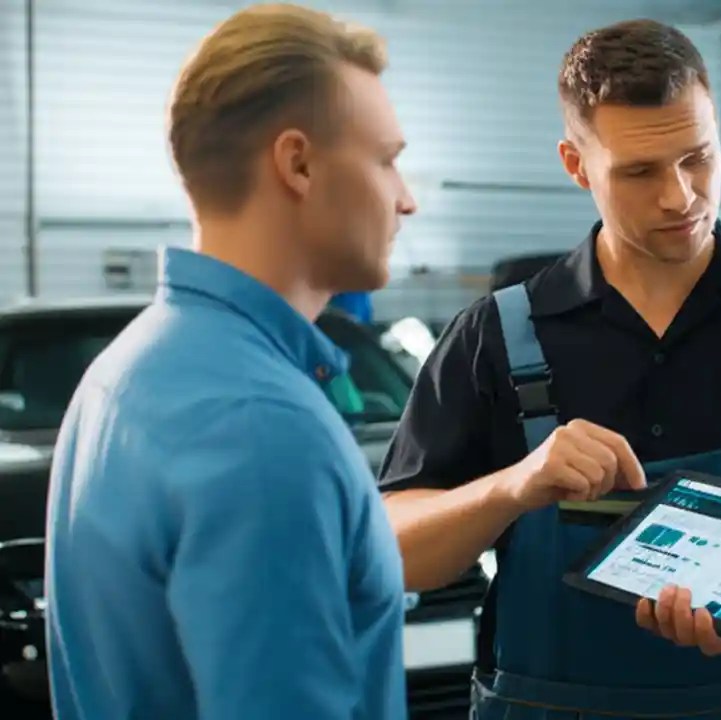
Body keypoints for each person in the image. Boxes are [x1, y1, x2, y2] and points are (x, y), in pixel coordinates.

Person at [378, 19, 721, 720]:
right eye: (640, 171)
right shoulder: (493, 338)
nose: (680, 197)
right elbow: (395, 553)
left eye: (698, 158)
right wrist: (512, 487)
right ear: (575, 163)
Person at [44, 5, 417, 719]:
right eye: (387, 159)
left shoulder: (127, 372)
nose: (407, 198)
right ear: (298, 163)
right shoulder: (262, 427)